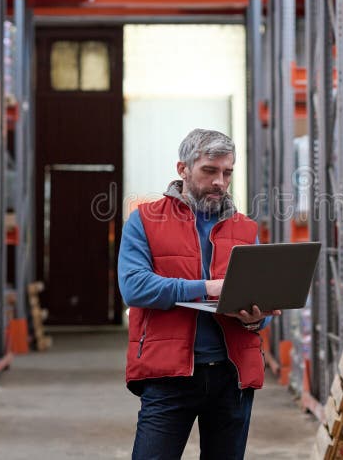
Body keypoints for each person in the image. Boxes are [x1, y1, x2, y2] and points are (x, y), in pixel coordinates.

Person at [118, 129, 281, 460]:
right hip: (169, 377)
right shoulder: (145, 221)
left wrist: (255, 319)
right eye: (210, 170)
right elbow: (133, 286)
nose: (220, 181)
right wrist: (206, 288)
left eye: (227, 172)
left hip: (230, 375)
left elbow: (259, 302)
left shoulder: (246, 229)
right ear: (183, 170)